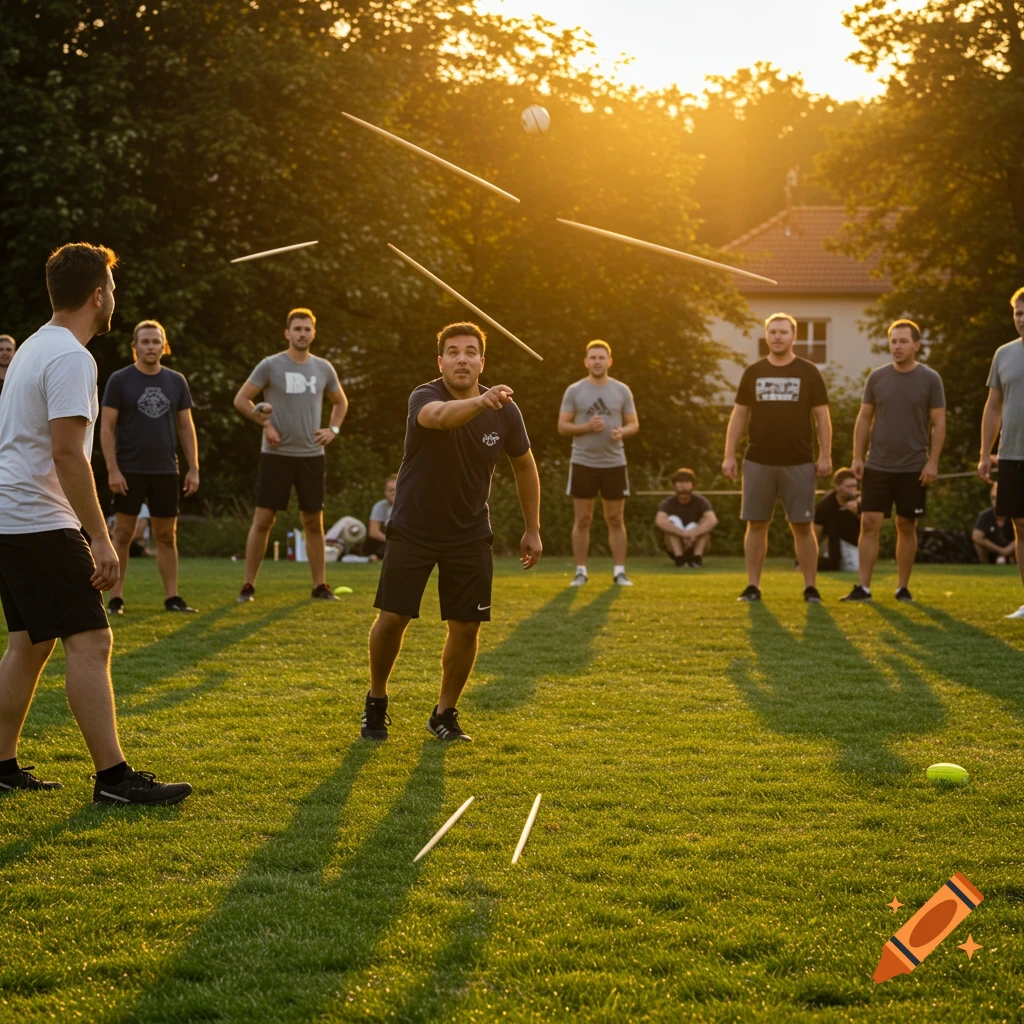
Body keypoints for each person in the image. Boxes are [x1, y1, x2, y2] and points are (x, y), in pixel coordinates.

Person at [0, 243, 191, 804]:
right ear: (97, 295)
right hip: (39, 519)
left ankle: (2, 764)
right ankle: (114, 780)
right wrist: (101, 539)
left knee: (27, 645)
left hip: (12, 517)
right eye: (113, 286)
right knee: (92, 642)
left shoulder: (36, 345)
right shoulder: (70, 357)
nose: (116, 297)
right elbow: (67, 453)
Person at [361, 322, 541, 743]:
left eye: (471, 351)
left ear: (483, 360)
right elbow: (439, 420)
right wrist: (482, 401)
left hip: (470, 532)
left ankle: (444, 713)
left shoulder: (506, 411)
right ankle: (377, 700)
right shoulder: (425, 396)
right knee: (393, 619)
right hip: (413, 528)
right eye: (454, 351)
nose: (463, 358)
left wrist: (532, 528)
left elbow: (525, 466)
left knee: (466, 627)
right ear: (439, 361)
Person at [233, 308, 348, 602]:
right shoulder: (271, 365)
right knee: (264, 519)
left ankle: (320, 586)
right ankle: (248, 585)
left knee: (313, 521)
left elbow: (340, 401)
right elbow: (242, 399)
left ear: (313, 333)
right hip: (277, 454)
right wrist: (265, 423)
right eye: (297, 329)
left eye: (307, 329)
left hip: (311, 455)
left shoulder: (323, 368)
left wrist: (333, 429)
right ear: (287, 333)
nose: (302, 334)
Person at [722, 312, 832, 602]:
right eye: (773, 332)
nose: (778, 337)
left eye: (783, 332)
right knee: (757, 524)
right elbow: (738, 415)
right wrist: (729, 455)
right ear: (767, 336)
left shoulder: (809, 372)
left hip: (799, 461)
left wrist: (825, 455)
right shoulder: (754, 372)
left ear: (793, 337)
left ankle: (810, 587)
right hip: (758, 460)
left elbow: (822, 416)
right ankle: (753, 586)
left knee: (802, 526)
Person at [100, 319, 200, 614]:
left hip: (166, 470)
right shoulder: (120, 380)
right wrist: (113, 469)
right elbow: (106, 427)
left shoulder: (176, 381)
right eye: (144, 341)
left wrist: (193, 468)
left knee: (166, 536)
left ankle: (172, 598)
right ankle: (115, 599)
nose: (150, 346)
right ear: (135, 347)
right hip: (129, 470)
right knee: (122, 534)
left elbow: (186, 427)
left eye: (156, 341)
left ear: (164, 346)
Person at [843, 320, 946, 603]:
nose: (896, 346)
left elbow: (939, 422)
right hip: (877, 464)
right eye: (893, 341)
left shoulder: (930, 379)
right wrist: (856, 456)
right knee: (870, 522)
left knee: (906, 525)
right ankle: (863, 588)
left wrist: (933, 462)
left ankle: (902, 587)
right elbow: (864, 418)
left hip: (914, 466)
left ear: (916, 345)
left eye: (902, 341)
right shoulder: (877, 378)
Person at [558, 340, 639, 587]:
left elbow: (634, 424)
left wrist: (621, 432)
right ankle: (581, 571)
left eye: (601, 357)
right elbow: (562, 426)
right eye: (592, 357)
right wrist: (586, 427)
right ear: (586, 362)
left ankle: (619, 572)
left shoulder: (621, 390)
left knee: (615, 518)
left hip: (614, 462)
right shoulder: (575, 390)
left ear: (609, 361)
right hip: (583, 462)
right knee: (583, 518)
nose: (597, 361)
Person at [979, 286, 1024, 618]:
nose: (1022, 319)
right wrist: (985, 452)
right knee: (1020, 526)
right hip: (1012, 455)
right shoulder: (1004, 354)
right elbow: (993, 407)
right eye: (1018, 313)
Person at [654, 468, 718, 567]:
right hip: (675, 544)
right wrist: (682, 534)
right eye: (680, 482)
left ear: (693, 484)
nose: (683, 485)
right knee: (670, 526)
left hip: (695, 540)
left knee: (704, 524)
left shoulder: (701, 501)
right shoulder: (667, 503)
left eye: (687, 482)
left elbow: (712, 520)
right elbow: (660, 520)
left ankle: (697, 558)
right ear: (674, 485)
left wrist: (693, 533)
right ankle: (680, 559)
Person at [814, 468, 862, 572]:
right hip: (831, 542)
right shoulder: (825, 505)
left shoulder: (861, 502)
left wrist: (858, 512)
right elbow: (815, 533)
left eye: (854, 486)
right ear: (837, 487)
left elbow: (872, 529)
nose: (853, 490)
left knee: (855, 568)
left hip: (854, 544)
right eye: (848, 486)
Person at [972, 483, 1016, 564]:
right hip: (993, 550)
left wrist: (1008, 549)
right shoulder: (985, 515)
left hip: (1013, 548)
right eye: (993, 498)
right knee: (977, 545)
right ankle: (986, 568)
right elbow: (976, 536)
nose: (996, 501)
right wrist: (1001, 550)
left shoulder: (1014, 514)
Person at [365, 475, 396, 559]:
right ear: (385, 492)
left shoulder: (409, 506)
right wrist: (394, 542)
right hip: (385, 542)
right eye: (390, 490)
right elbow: (373, 532)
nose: (393, 492)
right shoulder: (380, 506)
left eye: (396, 490)